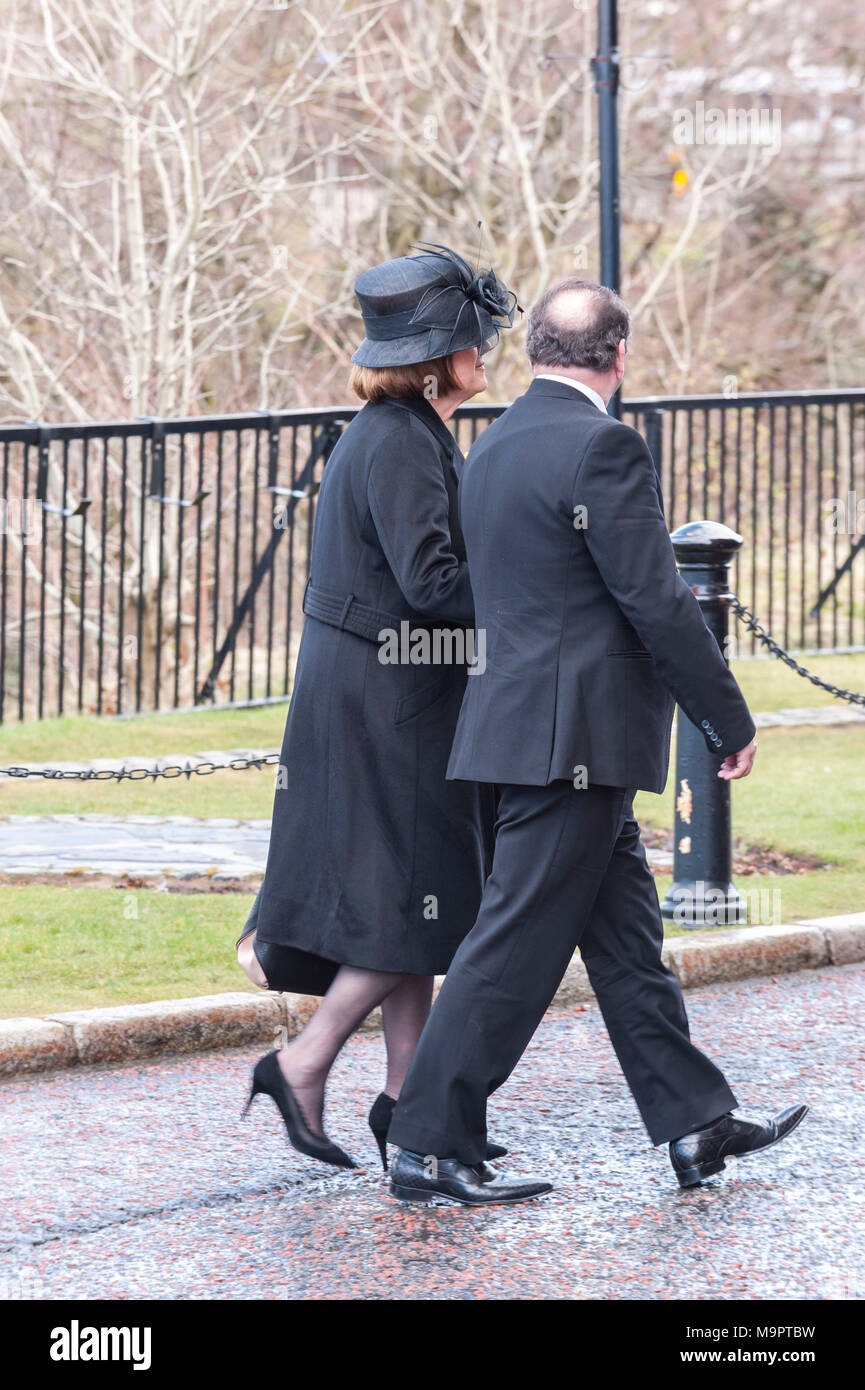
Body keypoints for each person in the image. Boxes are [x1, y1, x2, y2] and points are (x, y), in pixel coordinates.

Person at [387, 277, 808, 1205]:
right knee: (512, 947)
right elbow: (654, 597)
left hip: (512, 738)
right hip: (567, 745)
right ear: (618, 357)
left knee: (625, 943)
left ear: (535, 349)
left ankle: (696, 1122)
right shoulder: (603, 446)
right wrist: (725, 718)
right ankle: (423, 1141)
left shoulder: (490, 447)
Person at [236, 242, 518, 1172]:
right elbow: (434, 584)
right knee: (412, 903)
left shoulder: (402, 432)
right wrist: (536, 585)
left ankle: (407, 1099)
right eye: (479, 341)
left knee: (417, 900)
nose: (489, 354)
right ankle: (304, 1060)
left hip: (385, 689)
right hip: (387, 701)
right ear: (443, 360)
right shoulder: (398, 441)